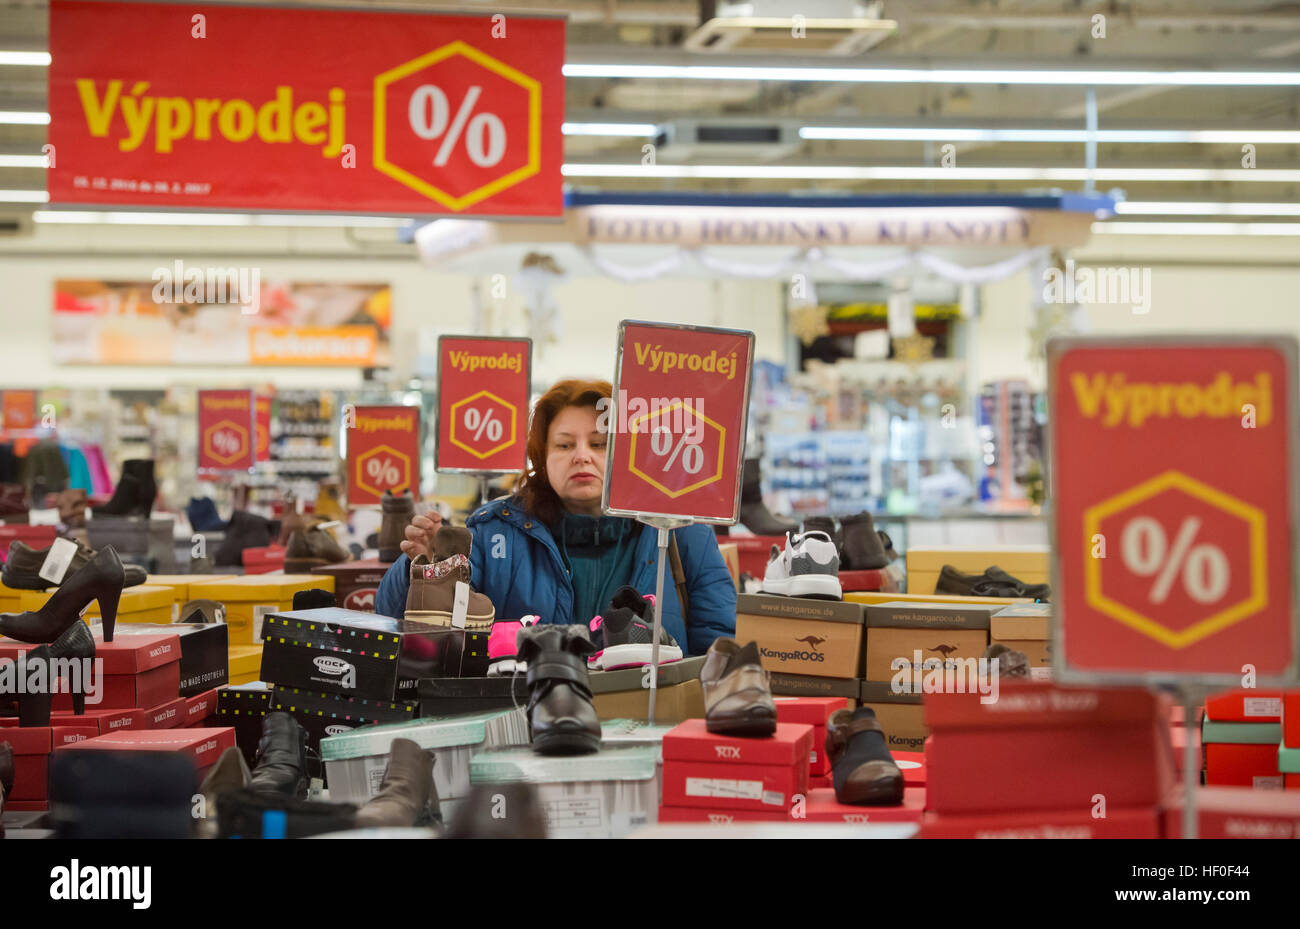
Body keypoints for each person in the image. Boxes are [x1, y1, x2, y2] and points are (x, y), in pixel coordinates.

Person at [374, 378, 736, 656]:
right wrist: (422, 568)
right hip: (527, 723)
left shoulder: (681, 532)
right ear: (541, 456)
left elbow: (719, 646)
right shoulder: (494, 532)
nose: (581, 456)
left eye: (599, 444)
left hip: (647, 719)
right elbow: (394, 622)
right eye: (564, 444)